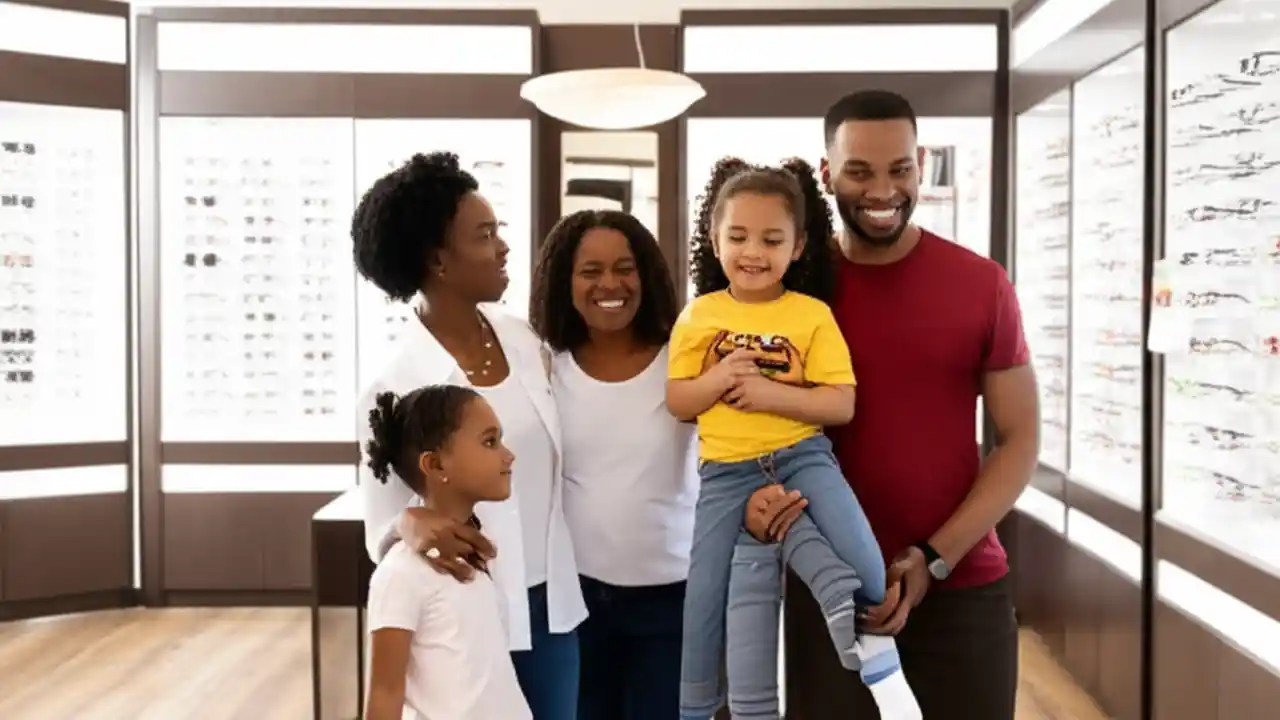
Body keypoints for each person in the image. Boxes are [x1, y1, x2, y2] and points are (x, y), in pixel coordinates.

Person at [746, 90, 1040, 719]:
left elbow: (1019, 440)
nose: (883, 190)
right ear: (826, 173)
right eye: (859, 171)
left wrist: (933, 558)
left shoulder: (981, 284)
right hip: (828, 588)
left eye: (899, 169)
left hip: (960, 585)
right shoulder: (790, 291)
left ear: (921, 162)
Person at [670, 158, 920, 720]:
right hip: (726, 472)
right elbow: (680, 403)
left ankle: (874, 644)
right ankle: (695, 707)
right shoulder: (698, 316)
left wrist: (767, 394)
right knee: (703, 596)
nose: (752, 251)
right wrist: (719, 379)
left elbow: (841, 403)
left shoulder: (811, 316)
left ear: (799, 247)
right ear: (714, 239)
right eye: (737, 236)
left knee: (868, 563)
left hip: (803, 456)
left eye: (771, 238)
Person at [353, 151, 587, 720]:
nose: (503, 248)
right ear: (438, 259)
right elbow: (383, 526)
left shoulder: (524, 341)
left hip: (549, 604)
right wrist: (406, 523)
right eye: (485, 236)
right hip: (463, 612)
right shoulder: (395, 383)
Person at [528, 209, 697, 720]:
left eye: (625, 268)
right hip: (575, 601)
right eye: (591, 271)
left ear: (646, 274)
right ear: (566, 281)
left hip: (674, 598)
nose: (610, 284)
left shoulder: (685, 361)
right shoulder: (544, 368)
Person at [363, 385, 531, 720]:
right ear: (436, 464)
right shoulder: (401, 574)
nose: (508, 454)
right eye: (489, 441)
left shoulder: (478, 548)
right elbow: (384, 692)